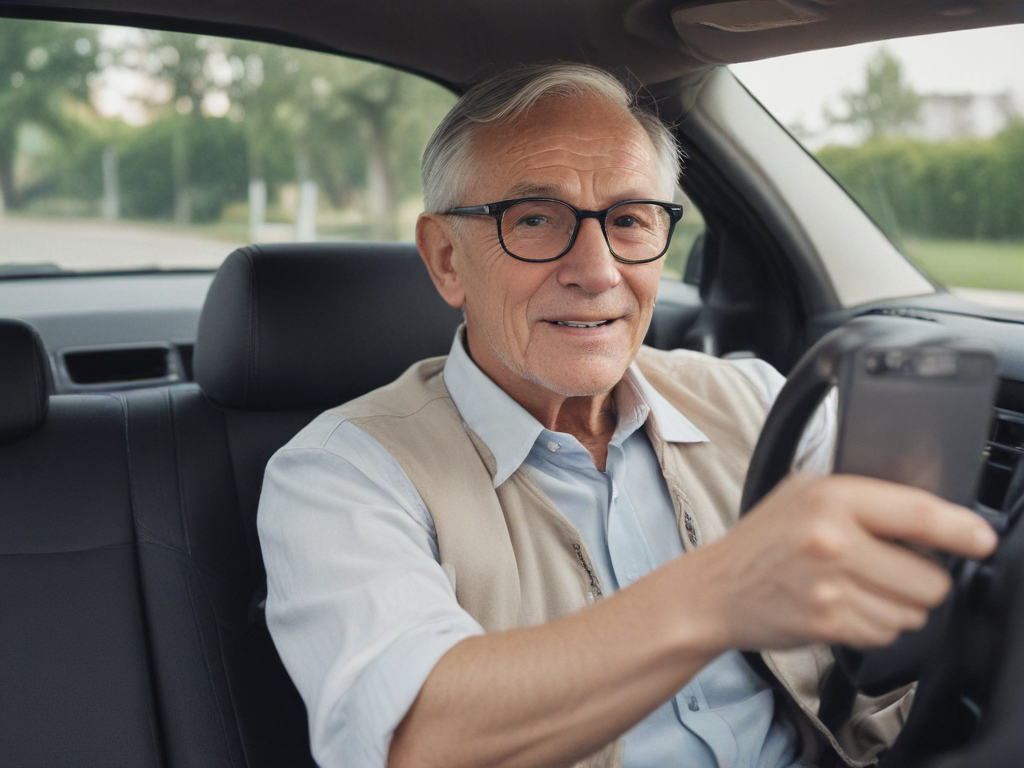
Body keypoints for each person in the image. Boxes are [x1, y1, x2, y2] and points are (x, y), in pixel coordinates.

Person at [257, 63, 997, 768]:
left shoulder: (761, 403)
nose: (598, 270)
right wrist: (722, 592)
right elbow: (416, 741)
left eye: (631, 220)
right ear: (447, 257)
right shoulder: (342, 473)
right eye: (535, 219)